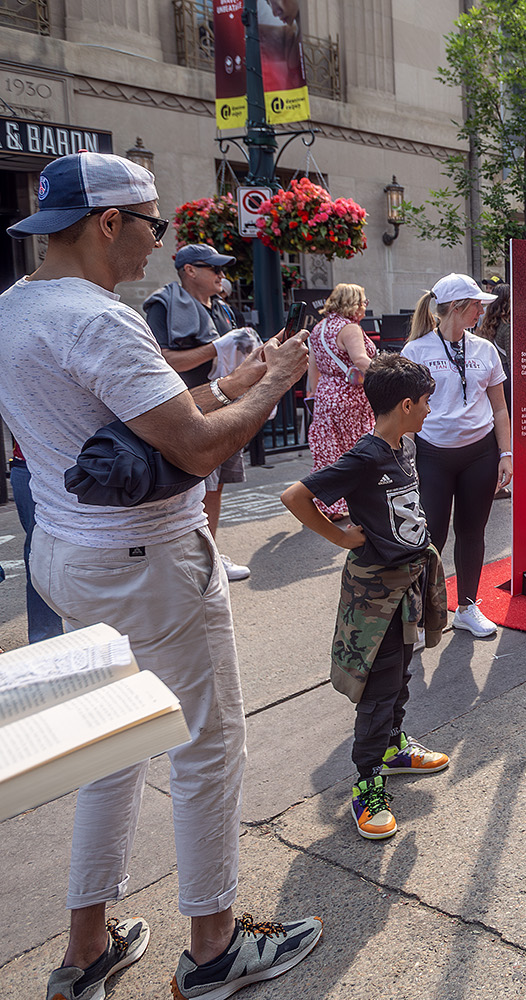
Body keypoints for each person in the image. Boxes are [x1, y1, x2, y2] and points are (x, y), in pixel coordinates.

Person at [0, 151, 322, 1000]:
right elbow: (196, 448)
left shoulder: (14, 310)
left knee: (111, 745)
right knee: (207, 748)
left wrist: (235, 382)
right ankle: (215, 949)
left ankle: (86, 949)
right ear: (109, 223)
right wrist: (280, 382)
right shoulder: (98, 319)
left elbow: (129, 433)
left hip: (70, 556)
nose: (158, 245)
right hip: (148, 563)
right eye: (152, 224)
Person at [280, 354, 450, 840]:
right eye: (425, 403)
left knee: (400, 676)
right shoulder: (367, 455)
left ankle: (395, 748)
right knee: (377, 690)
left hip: (408, 584)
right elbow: (296, 496)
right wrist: (339, 537)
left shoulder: (405, 445)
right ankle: (367, 785)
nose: (428, 411)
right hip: (375, 594)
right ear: (405, 403)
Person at [402, 273, 514, 637]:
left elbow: (499, 408)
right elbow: (403, 412)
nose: (483, 309)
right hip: (432, 455)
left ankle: (467, 606)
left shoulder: (485, 350)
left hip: (479, 455)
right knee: (431, 534)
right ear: (457, 307)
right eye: (477, 304)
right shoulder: (416, 351)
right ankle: (423, 615)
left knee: (472, 531)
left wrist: (505, 453)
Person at [144, 243, 253, 581]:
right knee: (189, 488)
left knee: (215, 486)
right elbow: (164, 359)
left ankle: (210, 557)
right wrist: (216, 348)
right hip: (186, 410)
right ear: (190, 270)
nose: (222, 275)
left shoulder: (221, 308)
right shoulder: (162, 305)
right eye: (214, 269)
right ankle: (189, 563)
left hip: (223, 406)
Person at [307, 283, 377, 519]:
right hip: (351, 395)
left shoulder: (318, 328)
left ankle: (329, 503)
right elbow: (360, 360)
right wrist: (386, 375)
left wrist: (316, 396)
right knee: (355, 450)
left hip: (326, 394)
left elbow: (313, 367)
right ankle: (355, 501)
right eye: (363, 302)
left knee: (330, 450)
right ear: (354, 303)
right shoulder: (349, 328)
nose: (365, 306)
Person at [9, 440, 64, 643]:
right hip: (28, 464)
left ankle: (104, 636)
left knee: (100, 549)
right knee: (37, 554)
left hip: (87, 457)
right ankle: (46, 641)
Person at [475, 284, 514, 500]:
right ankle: (498, 479)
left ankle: (491, 478)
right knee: (502, 425)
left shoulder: (486, 325)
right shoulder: (508, 327)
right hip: (504, 380)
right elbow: (512, 357)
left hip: (488, 379)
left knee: (491, 427)